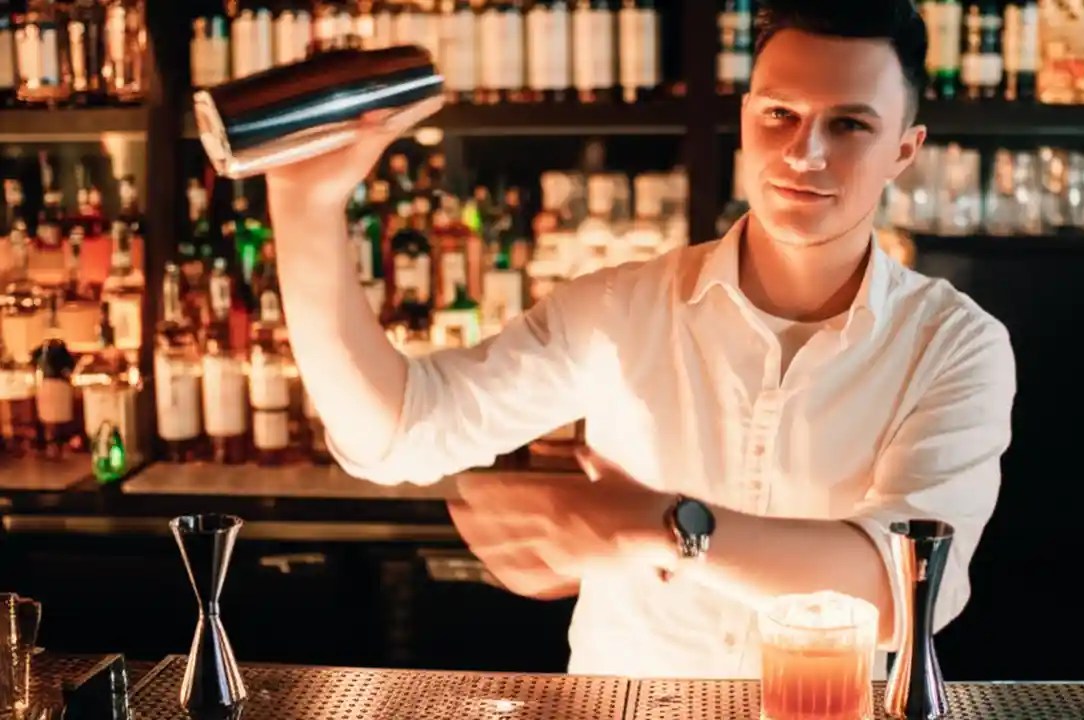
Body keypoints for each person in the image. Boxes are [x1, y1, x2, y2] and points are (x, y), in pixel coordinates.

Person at [264, 0, 1016, 680]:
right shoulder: (621, 308)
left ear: (905, 151)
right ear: (745, 119)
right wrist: (305, 215)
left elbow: (905, 589)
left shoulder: (953, 347)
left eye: (849, 125)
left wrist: (659, 526)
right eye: (780, 114)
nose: (803, 152)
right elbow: (397, 429)